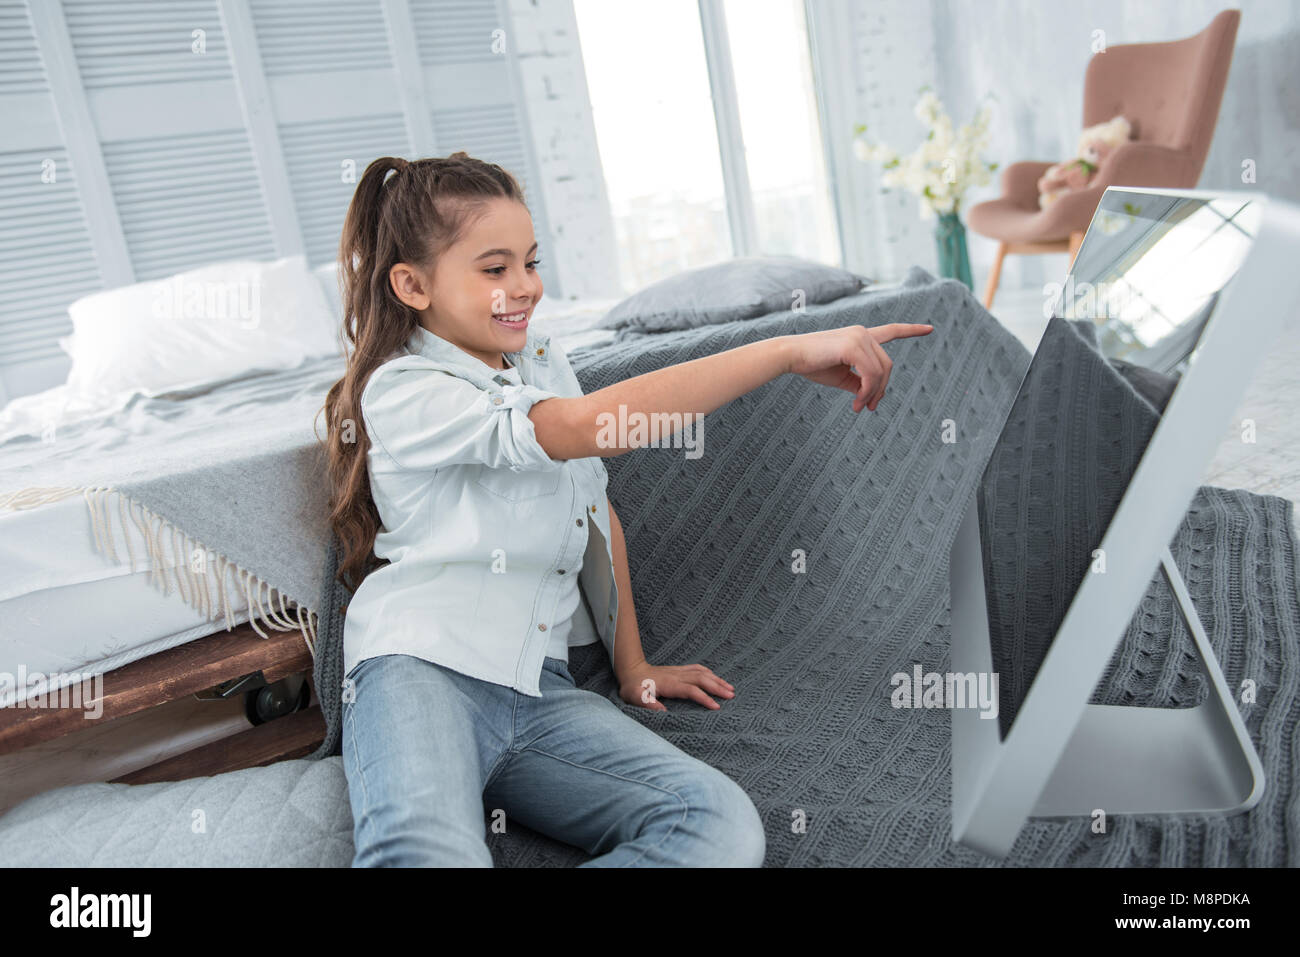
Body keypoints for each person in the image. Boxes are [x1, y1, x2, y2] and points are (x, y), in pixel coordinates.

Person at [322, 152, 932, 867]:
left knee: (718, 826)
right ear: (412, 284)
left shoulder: (541, 359)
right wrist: (786, 350)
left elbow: (592, 507)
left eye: (530, 261)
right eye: (495, 269)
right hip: (421, 669)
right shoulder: (404, 388)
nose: (525, 287)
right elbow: (583, 428)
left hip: (540, 692)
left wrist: (634, 665)